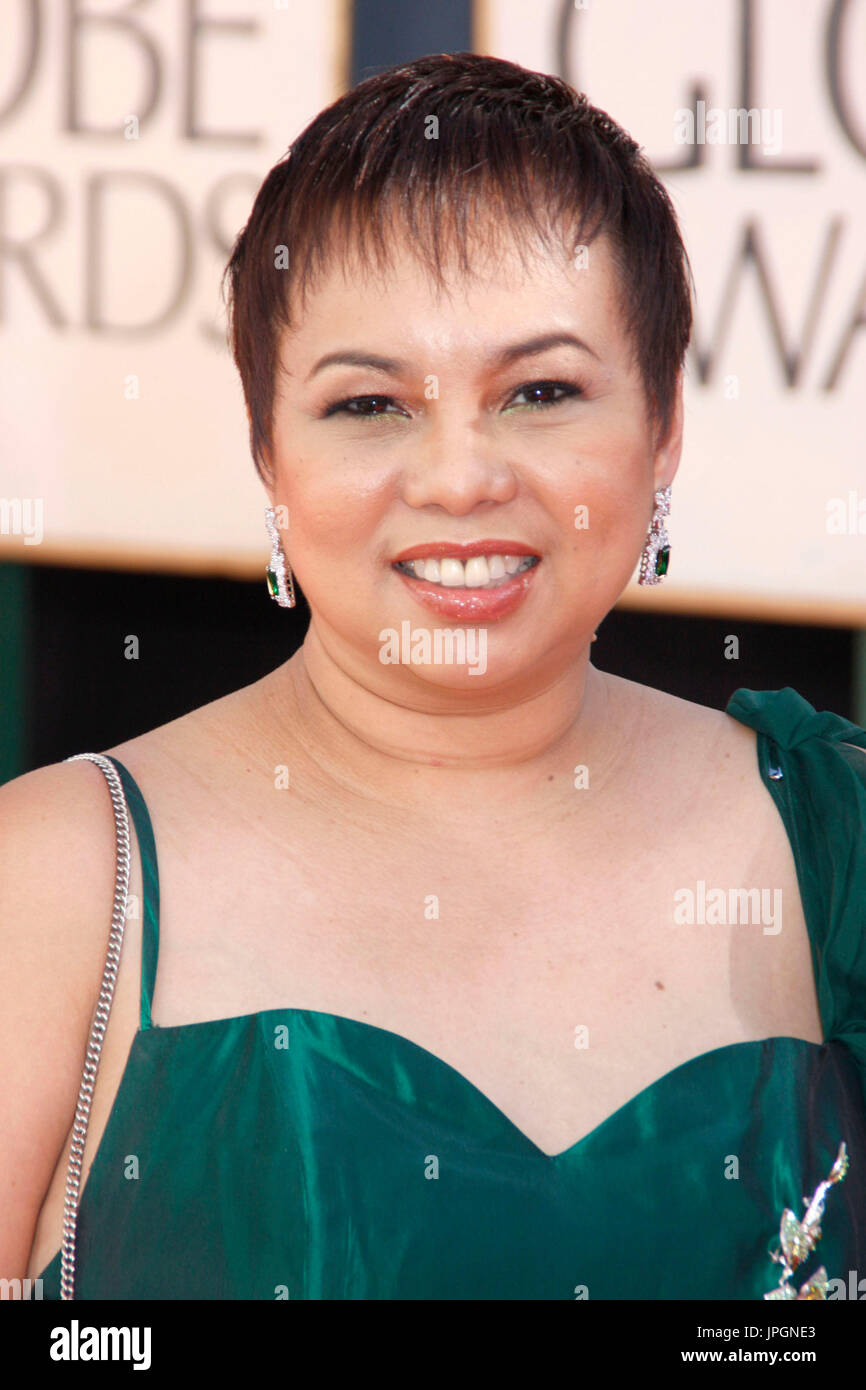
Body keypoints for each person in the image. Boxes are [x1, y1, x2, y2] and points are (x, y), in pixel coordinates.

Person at [3, 52, 866, 1301]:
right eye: (368, 406)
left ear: (664, 419)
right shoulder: (53, 890)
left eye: (540, 390)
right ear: (266, 448)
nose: (459, 478)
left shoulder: (831, 844)